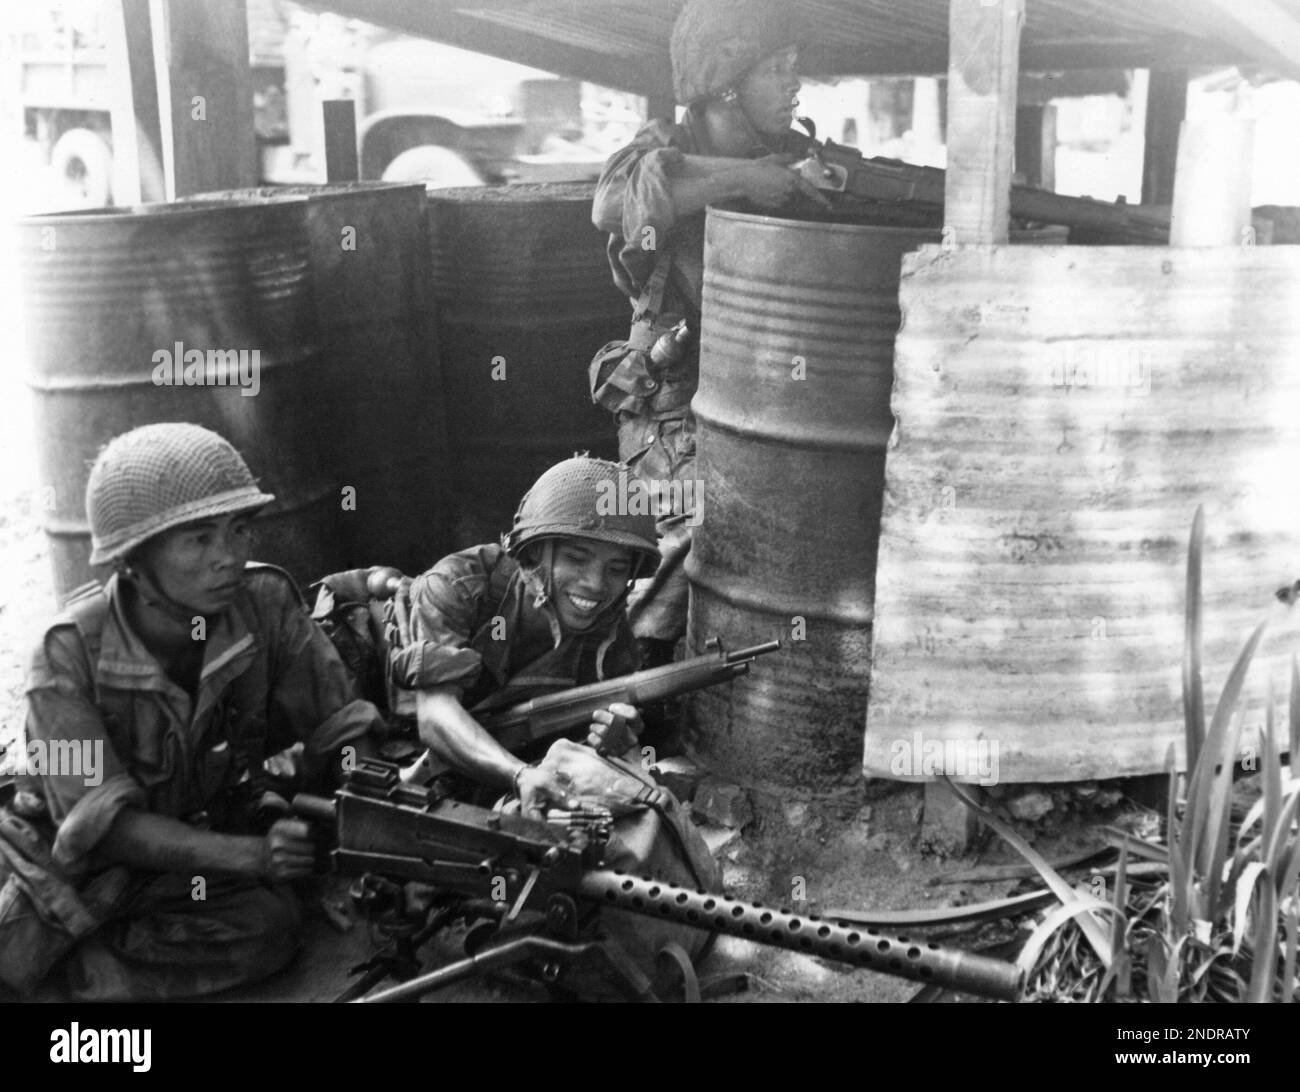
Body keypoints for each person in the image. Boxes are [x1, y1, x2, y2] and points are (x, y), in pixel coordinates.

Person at [1, 423, 382, 1001]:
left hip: (191, 849)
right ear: (132, 562)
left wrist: (382, 823)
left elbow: (342, 728)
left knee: (270, 931)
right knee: (13, 950)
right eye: (198, 539)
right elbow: (100, 833)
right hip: (64, 863)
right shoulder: (64, 657)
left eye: (239, 530)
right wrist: (251, 854)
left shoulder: (265, 605)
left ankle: (90, 977)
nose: (228, 558)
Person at [590, 0, 829, 663]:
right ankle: (627, 666)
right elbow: (610, 204)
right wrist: (750, 181)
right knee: (708, 526)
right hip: (672, 413)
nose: (794, 85)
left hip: (764, 408)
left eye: (794, 69)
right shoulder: (658, 153)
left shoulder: (794, 157)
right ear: (727, 82)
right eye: (777, 69)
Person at [394, 455, 663, 819]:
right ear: (536, 550)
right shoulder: (458, 587)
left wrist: (609, 744)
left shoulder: (611, 643)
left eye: (616, 568)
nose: (596, 584)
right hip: (364, 706)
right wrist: (519, 774)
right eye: (577, 559)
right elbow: (435, 715)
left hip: (477, 760)